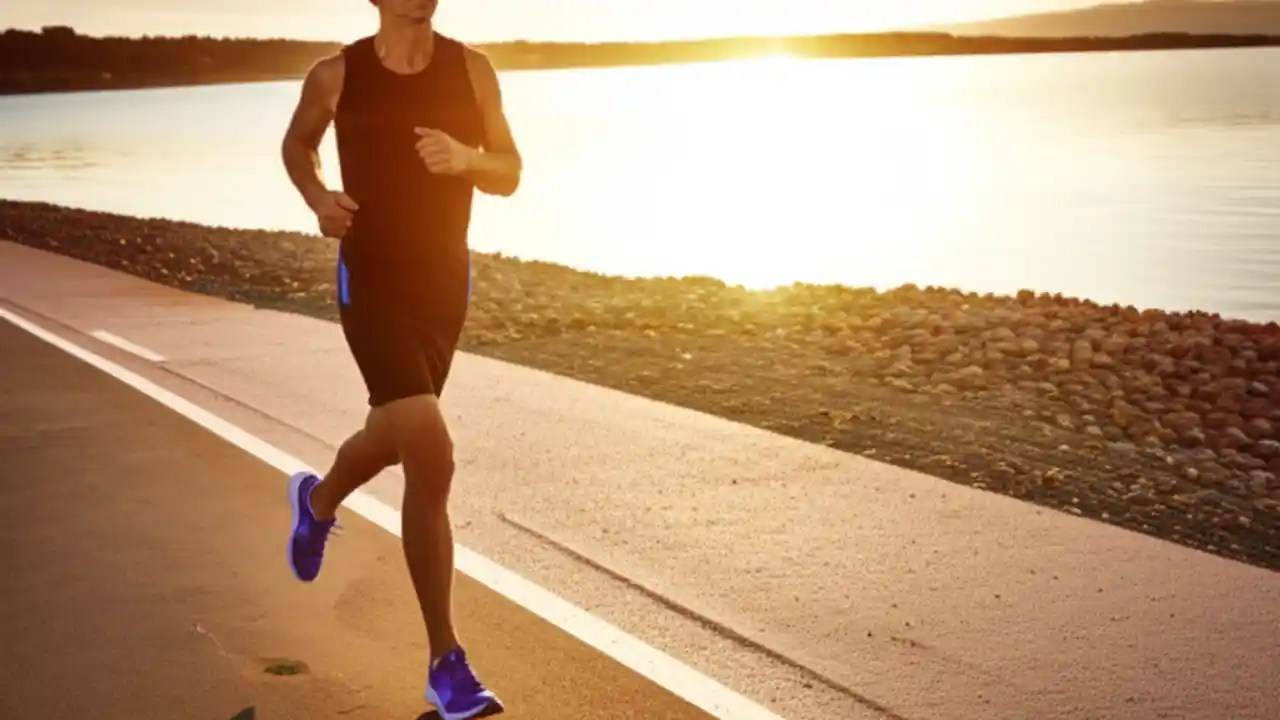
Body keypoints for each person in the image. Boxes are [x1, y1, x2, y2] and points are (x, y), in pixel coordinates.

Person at [278, 0, 521, 717]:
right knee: (432, 450)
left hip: (443, 287)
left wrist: (467, 159)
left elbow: (510, 171)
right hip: (371, 282)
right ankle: (447, 664)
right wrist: (317, 197)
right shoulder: (336, 74)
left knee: (395, 435)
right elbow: (298, 144)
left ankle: (317, 501)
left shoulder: (473, 70)